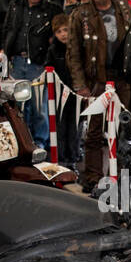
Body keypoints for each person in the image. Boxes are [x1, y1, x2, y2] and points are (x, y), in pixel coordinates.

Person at [65, 0, 131, 189]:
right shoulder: (80, 14)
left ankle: (123, 176)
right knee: (93, 131)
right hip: (96, 81)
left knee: (124, 129)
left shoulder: (123, 7)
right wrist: (80, 84)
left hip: (123, 79)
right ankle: (93, 178)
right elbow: (73, 52)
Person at [2, 0, 52, 145]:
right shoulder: (15, 5)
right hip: (17, 61)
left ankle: (39, 142)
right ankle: (22, 140)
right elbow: (8, 28)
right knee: (19, 106)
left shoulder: (50, 9)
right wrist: (5, 51)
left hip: (38, 64)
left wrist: (48, 61)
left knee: (39, 107)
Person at [46, 12, 80, 167]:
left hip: (75, 93)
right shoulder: (53, 51)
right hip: (58, 94)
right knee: (60, 125)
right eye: (59, 31)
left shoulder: (77, 48)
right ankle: (60, 156)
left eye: (66, 30)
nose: (63, 34)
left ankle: (72, 155)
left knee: (74, 125)